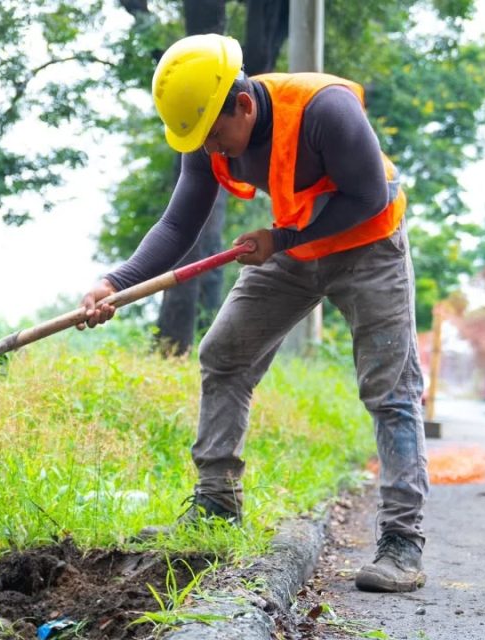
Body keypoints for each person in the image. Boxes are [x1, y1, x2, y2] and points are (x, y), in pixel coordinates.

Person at [77, 33, 429, 593]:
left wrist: (282, 236)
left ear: (243, 104)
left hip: (368, 244)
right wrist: (114, 283)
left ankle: (402, 543)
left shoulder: (324, 109)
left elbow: (370, 196)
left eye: (217, 136)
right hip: (292, 247)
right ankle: (216, 503)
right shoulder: (204, 131)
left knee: (391, 389)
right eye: (202, 141)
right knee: (224, 353)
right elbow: (177, 226)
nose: (213, 150)